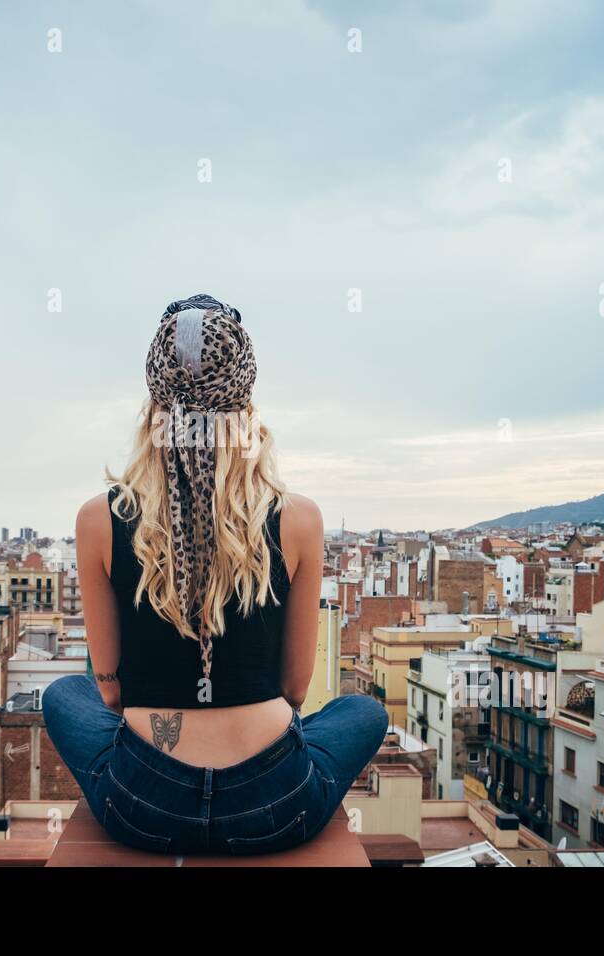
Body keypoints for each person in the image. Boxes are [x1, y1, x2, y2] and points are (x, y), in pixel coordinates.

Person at [42, 293, 388, 855]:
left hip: (143, 804)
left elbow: (108, 693)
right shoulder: (298, 518)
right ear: (246, 401)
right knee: (363, 711)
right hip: (275, 804)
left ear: (155, 403)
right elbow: (296, 689)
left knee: (63, 693)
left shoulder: (98, 519)